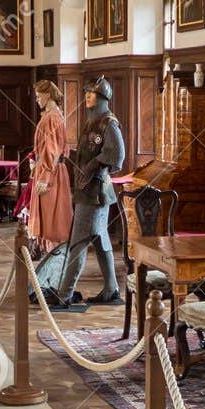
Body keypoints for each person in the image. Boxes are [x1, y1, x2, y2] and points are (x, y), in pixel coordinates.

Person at [48, 76, 125, 309]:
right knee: (101, 241)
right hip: (87, 190)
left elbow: (117, 156)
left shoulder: (108, 123)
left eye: (92, 93)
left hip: (96, 192)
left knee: (79, 241)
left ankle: (65, 293)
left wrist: (93, 166)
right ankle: (111, 289)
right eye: (87, 93)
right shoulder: (91, 122)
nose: (87, 96)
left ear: (103, 97)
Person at [27, 80, 73, 255]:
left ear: (48, 95)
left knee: (52, 220)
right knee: (48, 218)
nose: (37, 100)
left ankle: (53, 265)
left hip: (51, 174)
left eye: (39, 96)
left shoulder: (52, 118)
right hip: (48, 170)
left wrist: (45, 177)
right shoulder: (51, 115)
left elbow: (53, 151)